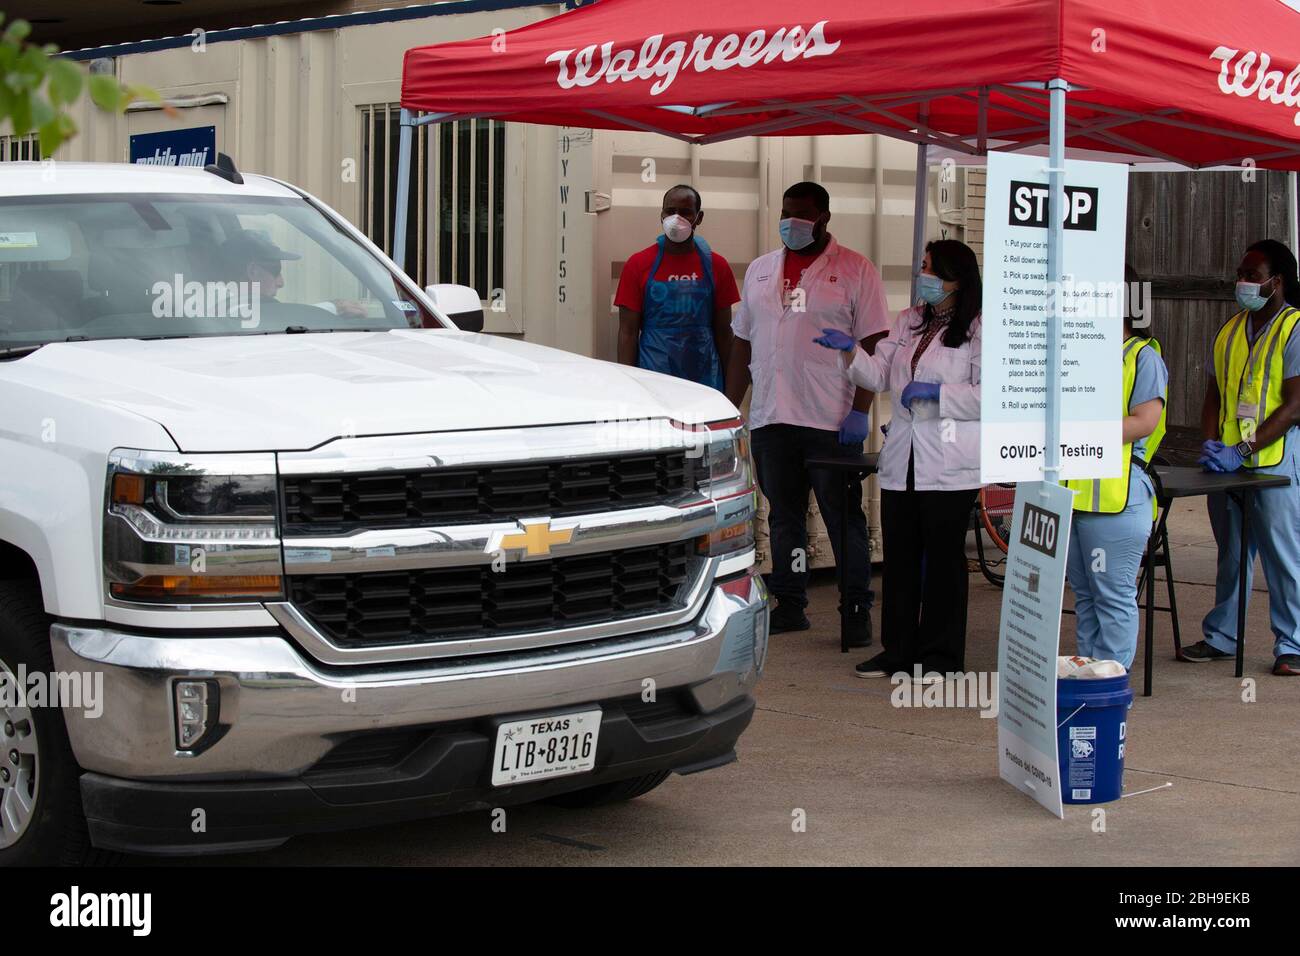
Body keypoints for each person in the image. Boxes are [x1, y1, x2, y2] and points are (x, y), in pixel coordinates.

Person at [726, 181, 891, 645]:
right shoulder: (760, 270)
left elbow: (874, 347)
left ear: (824, 218)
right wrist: (729, 404)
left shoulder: (856, 270)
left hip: (831, 419)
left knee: (843, 519)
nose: (791, 224)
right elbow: (743, 342)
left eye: (801, 216)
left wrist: (860, 411)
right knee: (784, 516)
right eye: (786, 214)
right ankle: (791, 603)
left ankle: (855, 608)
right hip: (772, 416)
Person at [813, 239, 981, 680]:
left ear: (955, 278)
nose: (920, 276)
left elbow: (994, 396)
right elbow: (878, 374)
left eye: (928, 268)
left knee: (944, 562)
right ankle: (898, 652)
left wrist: (941, 394)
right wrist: (849, 350)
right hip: (902, 458)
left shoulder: (982, 328)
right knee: (901, 559)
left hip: (949, 462)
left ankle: (942, 658)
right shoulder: (909, 321)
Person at [1183, 239, 1300, 676]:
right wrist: (1211, 443)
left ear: (1277, 281)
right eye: (1242, 274)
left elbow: (1294, 406)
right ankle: (1223, 636)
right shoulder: (1230, 330)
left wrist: (1243, 449)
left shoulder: (1295, 328)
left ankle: (1293, 644)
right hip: (1228, 464)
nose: (1243, 282)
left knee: (1282, 555)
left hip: (1273, 463)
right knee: (1232, 553)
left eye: (1253, 275)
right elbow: (1214, 395)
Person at [1062, 266, 1168, 671]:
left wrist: (1083, 431)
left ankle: (1111, 681)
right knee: (1085, 596)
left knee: (1113, 595)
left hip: (1117, 498)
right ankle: (1090, 675)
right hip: (1077, 498)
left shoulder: (1143, 357)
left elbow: (1145, 420)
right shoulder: (1080, 353)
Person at [615, 184, 739, 390]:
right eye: (670, 211)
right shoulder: (637, 264)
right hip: (653, 376)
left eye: (685, 212)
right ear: (661, 215)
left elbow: (724, 333)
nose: (676, 218)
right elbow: (627, 333)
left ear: (699, 218)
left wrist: (729, 389)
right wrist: (628, 386)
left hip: (705, 377)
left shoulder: (717, 266)